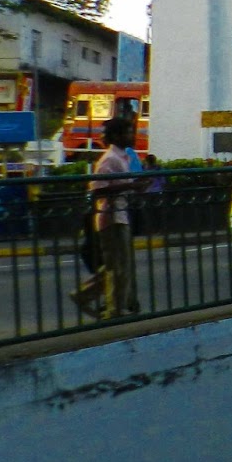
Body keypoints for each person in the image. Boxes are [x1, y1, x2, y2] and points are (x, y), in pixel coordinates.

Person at [71, 118, 146, 319]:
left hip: (120, 214)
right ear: (116, 136)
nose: (132, 136)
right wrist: (131, 186)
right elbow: (98, 189)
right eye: (128, 132)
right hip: (110, 216)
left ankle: (107, 302)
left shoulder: (123, 158)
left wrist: (136, 185)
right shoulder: (110, 159)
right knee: (116, 266)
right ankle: (112, 308)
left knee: (122, 265)